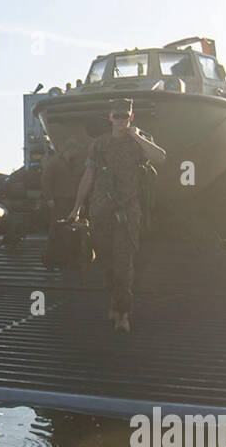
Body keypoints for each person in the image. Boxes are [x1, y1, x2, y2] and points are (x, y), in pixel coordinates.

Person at [69, 98, 166, 332]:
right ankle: (115, 301)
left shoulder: (139, 142)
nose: (121, 120)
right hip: (101, 211)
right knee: (106, 263)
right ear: (110, 117)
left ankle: (123, 314)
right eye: (117, 116)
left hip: (127, 212)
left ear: (131, 117)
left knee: (124, 264)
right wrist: (76, 207)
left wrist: (137, 136)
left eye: (125, 115)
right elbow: (88, 175)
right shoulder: (99, 145)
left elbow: (160, 157)